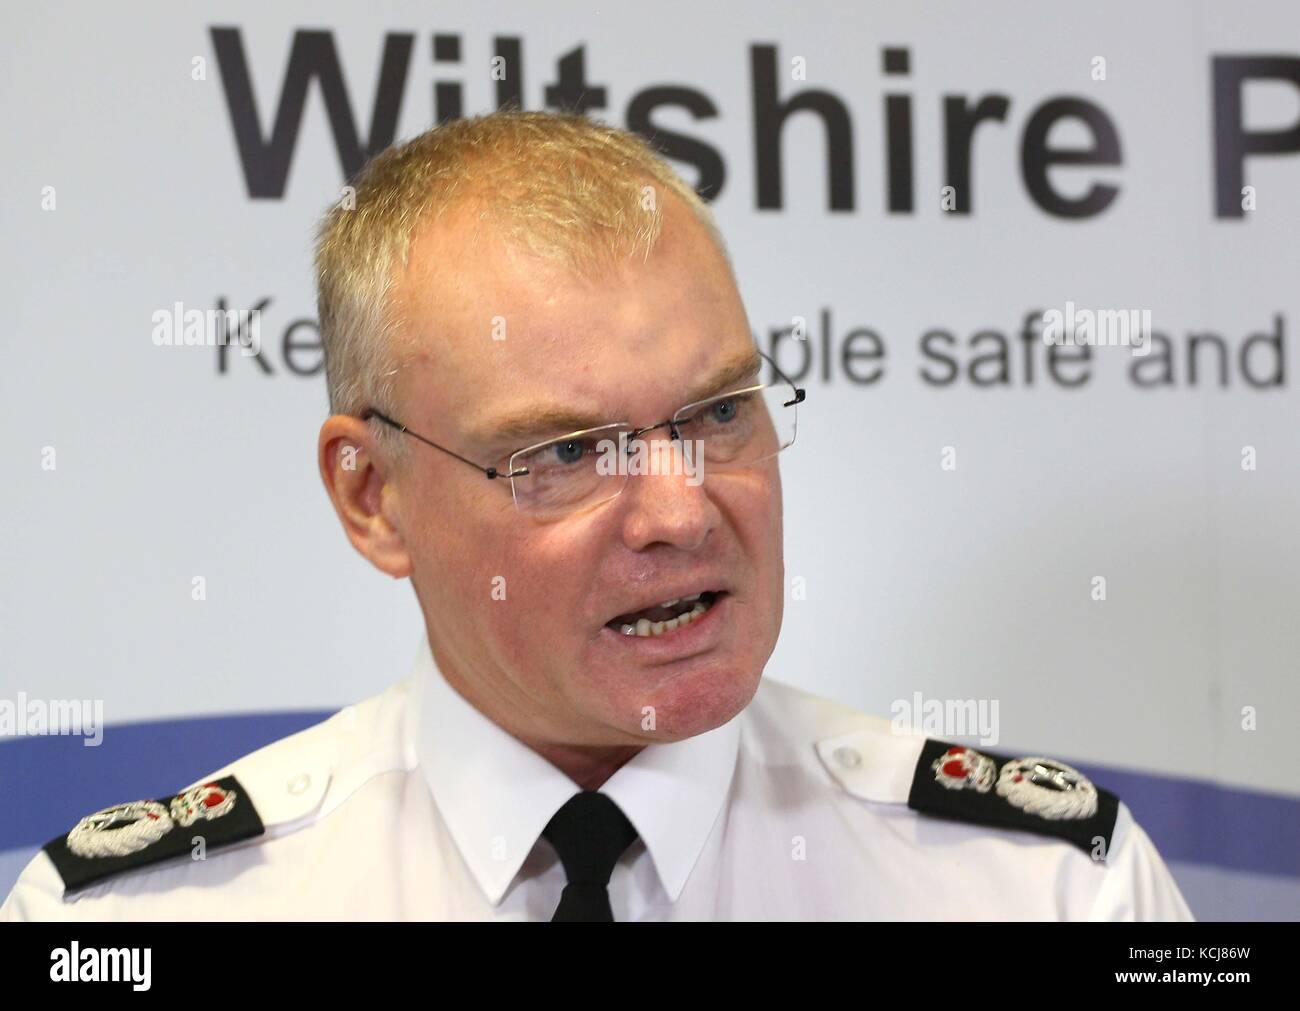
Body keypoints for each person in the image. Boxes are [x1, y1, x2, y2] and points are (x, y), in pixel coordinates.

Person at [1, 109, 1192, 921]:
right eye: (567, 451)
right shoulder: (140, 917)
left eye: (718, 412)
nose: (679, 510)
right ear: (373, 500)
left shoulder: (1045, 888)